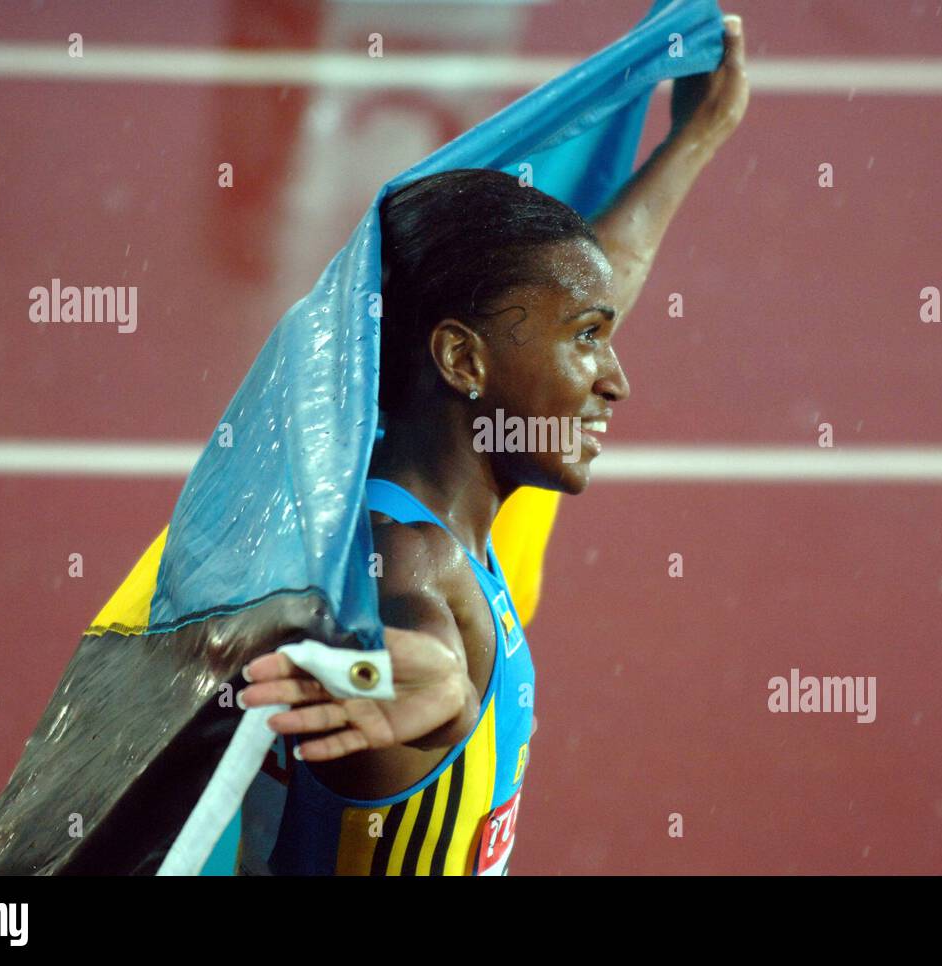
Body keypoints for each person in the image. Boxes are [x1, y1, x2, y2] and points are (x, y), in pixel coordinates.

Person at [235, 11, 750, 875]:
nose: (615, 379)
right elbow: (414, 646)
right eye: (587, 339)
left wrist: (694, 136)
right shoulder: (406, 564)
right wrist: (430, 690)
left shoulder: (423, 497)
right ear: (464, 359)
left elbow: (601, 271)